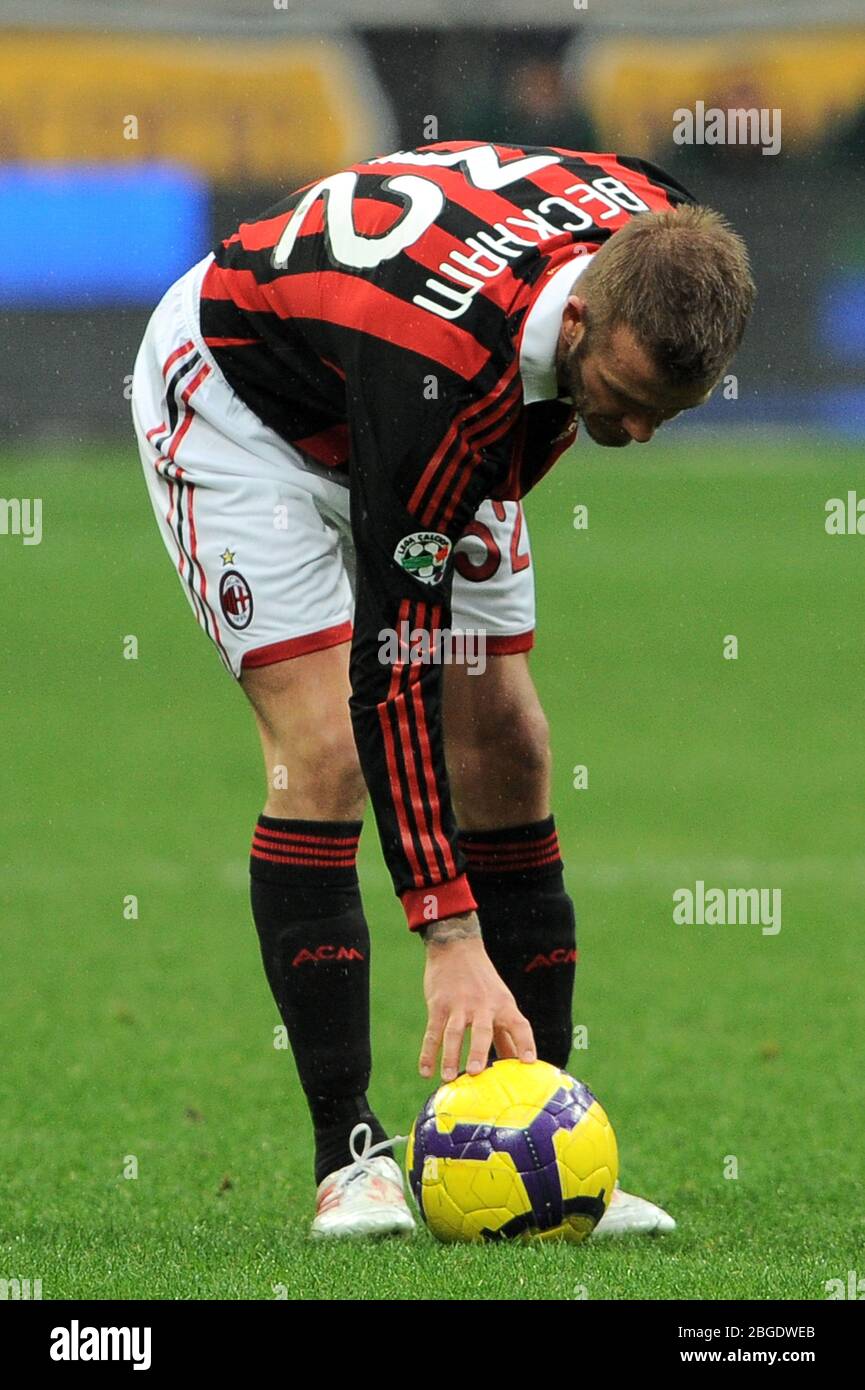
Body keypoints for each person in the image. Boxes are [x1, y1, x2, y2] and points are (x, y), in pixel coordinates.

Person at [131, 141, 755, 1239]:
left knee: (507, 740)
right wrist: (447, 933)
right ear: (578, 326)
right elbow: (393, 669)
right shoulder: (445, 389)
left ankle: (548, 1140)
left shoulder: (665, 233)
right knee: (321, 752)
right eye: (627, 397)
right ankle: (350, 1160)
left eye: (675, 409)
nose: (642, 432)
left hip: (414, 372)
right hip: (249, 411)